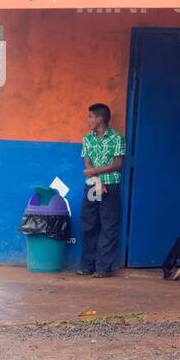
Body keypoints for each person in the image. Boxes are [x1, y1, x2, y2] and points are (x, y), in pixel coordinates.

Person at [78, 102, 125, 278]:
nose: (88, 120)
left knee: (109, 226)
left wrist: (95, 173)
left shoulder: (117, 138)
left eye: (90, 116)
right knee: (88, 224)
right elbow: (87, 164)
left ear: (100, 119)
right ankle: (87, 266)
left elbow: (117, 164)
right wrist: (97, 180)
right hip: (93, 186)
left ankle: (103, 268)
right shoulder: (87, 139)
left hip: (111, 187)